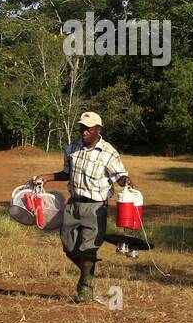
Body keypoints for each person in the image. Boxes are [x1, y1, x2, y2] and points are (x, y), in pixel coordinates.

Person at [33, 111, 133, 304]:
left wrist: (125, 180)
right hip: (74, 204)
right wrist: (47, 177)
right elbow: (66, 173)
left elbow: (119, 175)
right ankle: (89, 270)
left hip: (96, 207)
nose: (84, 131)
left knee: (89, 249)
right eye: (82, 127)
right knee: (68, 247)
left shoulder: (108, 152)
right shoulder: (72, 148)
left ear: (99, 129)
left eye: (89, 128)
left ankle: (84, 291)